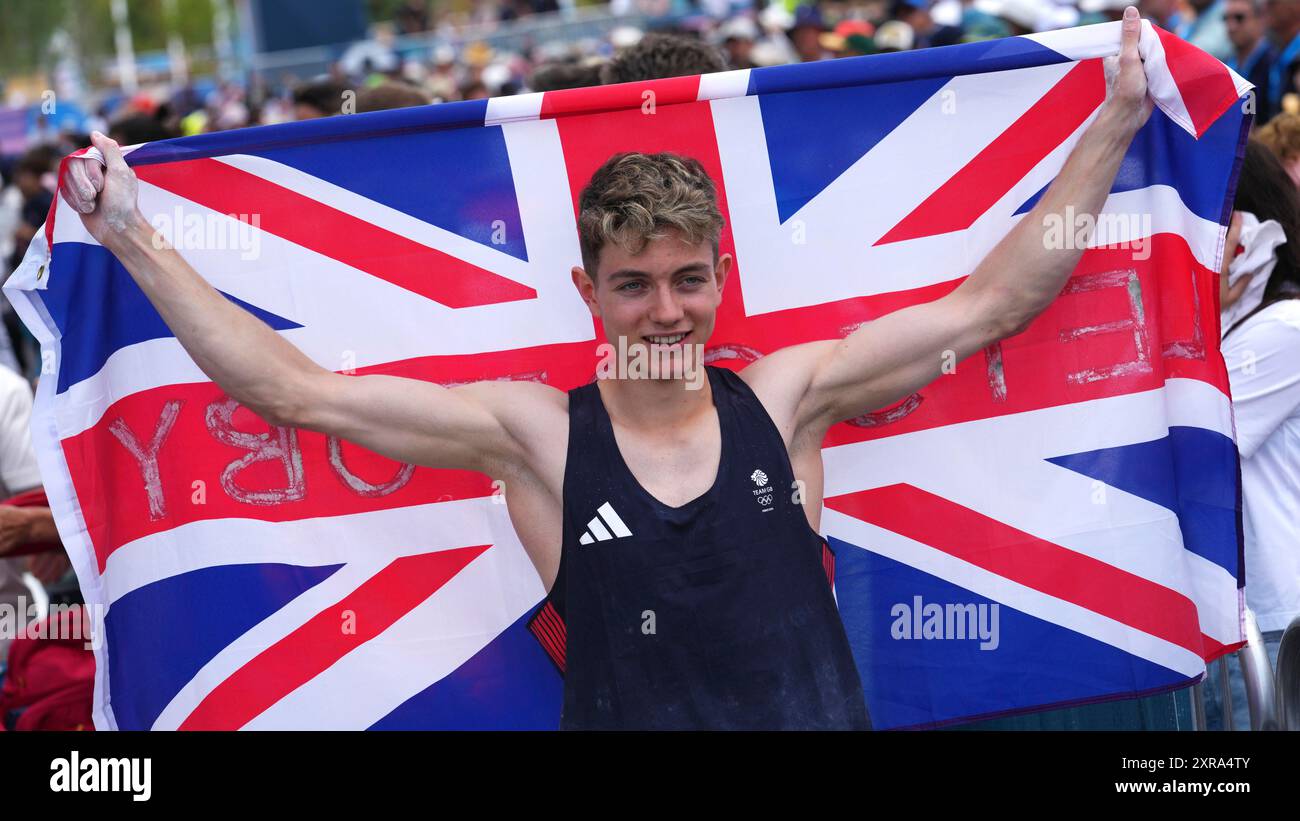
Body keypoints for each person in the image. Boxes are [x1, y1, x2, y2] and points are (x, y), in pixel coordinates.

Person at [58, 9, 1153, 730]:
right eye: (634, 284)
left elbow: (996, 303)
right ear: (589, 293)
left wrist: (1115, 119)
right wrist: (135, 237)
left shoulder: (787, 396)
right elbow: (294, 394)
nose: (665, 309)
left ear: (721, 278)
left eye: (687, 278)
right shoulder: (537, 434)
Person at [1204, 140, 1300, 729]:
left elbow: (1195, 440)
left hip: (1272, 623)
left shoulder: (1283, 329)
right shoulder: (1242, 333)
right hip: (1241, 627)